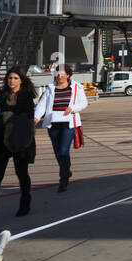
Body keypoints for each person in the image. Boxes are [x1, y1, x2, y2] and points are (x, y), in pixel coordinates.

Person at [0, 67, 38, 223]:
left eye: (15, 78)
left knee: (22, 174)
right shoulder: (2, 94)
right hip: (2, 141)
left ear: (21, 80)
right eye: (10, 78)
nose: (12, 81)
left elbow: (26, 117)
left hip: (20, 141)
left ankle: (25, 203)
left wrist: (5, 115)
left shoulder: (26, 96)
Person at [33, 64, 88, 192]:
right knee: (58, 152)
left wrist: (72, 108)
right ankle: (66, 170)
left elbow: (84, 102)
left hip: (68, 123)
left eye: (62, 74)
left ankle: (63, 179)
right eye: (57, 74)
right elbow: (42, 104)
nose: (60, 76)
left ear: (68, 75)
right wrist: (36, 117)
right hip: (53, 123)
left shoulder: (76, 87)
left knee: (63, 151)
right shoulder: (50, 88)